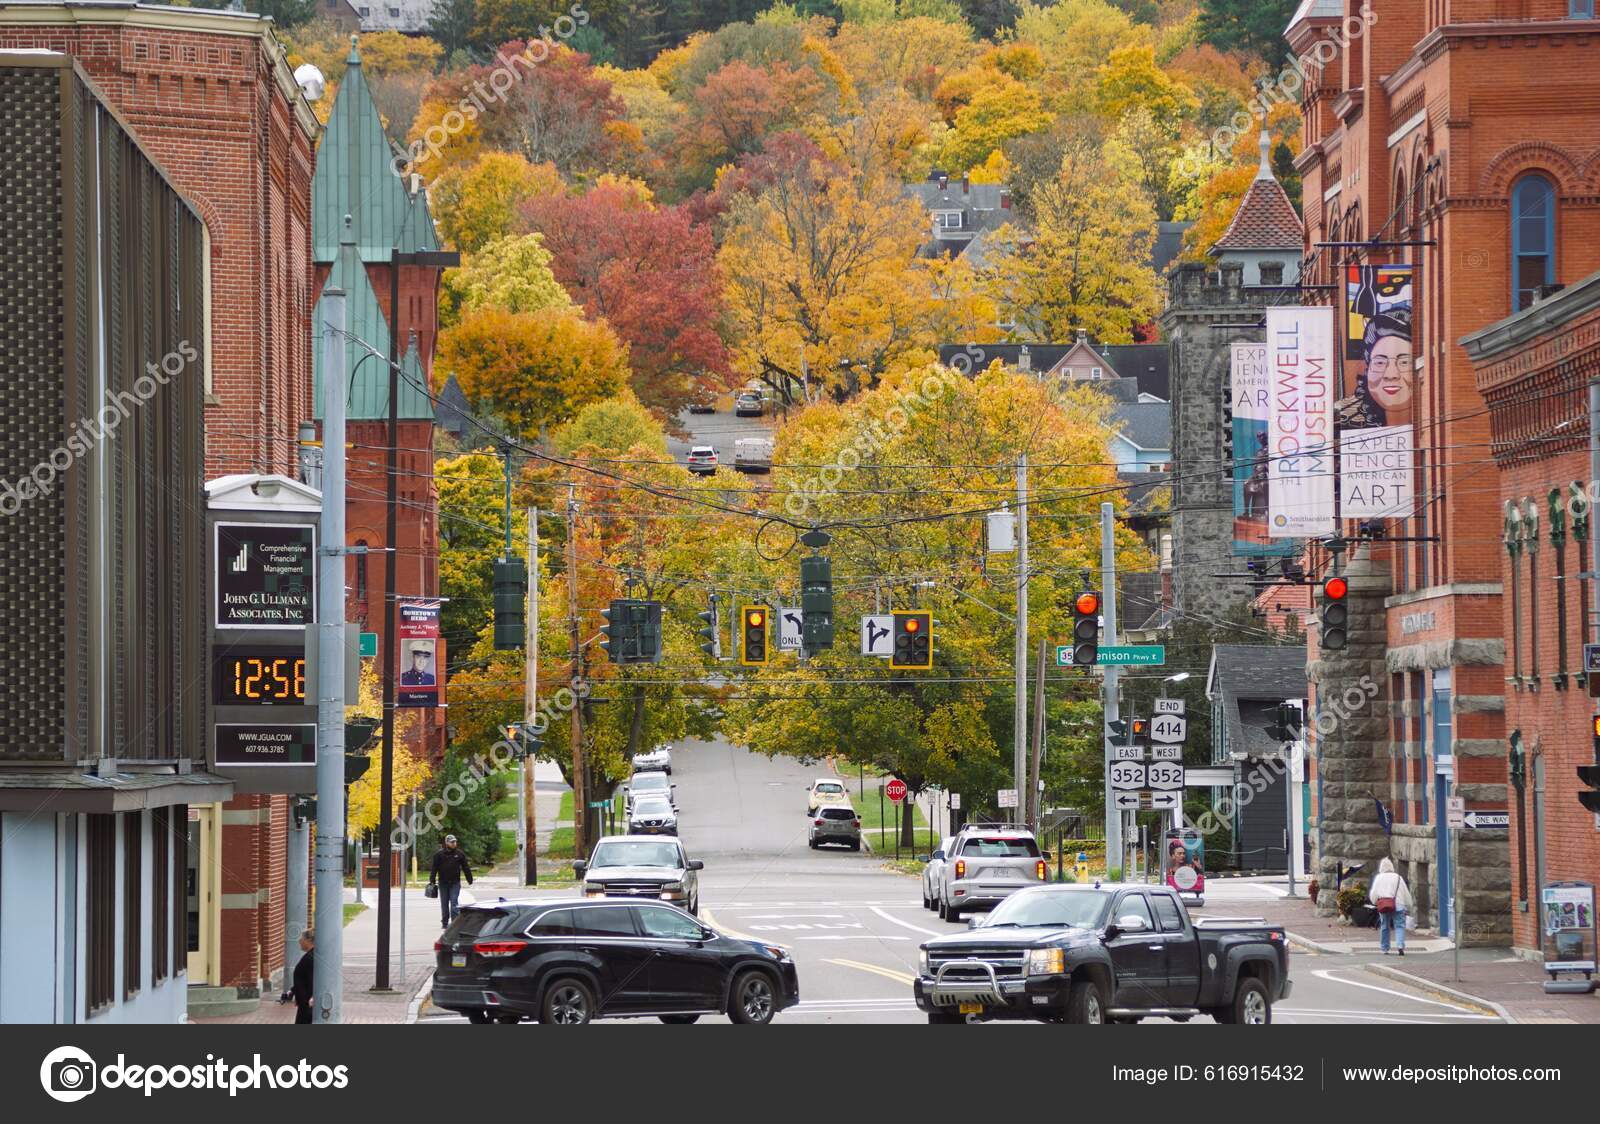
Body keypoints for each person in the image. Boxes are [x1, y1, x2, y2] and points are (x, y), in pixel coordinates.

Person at [1335, 309, 1414, 430]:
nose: (1391, 375)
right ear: (1368, 369)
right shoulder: (1346, 421)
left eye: (1404, 362)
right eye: (1380, 362)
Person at [1370, 857, 1415, 956]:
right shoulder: (1398, 877)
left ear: (1381, 867)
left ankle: (1385, 948)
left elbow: (1374, 893)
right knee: (1399, 926)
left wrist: (1374, 901)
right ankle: (1400, 945)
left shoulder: (1379, 878)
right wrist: (1409, 904)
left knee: (1385, 926)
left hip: (1384, 905)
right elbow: (1405, 892)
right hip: (1398, 904)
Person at [429, 833, 474, 927]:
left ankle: (454, 924)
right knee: (444, 904)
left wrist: (469, 878)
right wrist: (432, 879)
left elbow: (465, 867)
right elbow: (434, 868)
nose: (454, 844)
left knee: (454, 903)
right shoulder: (439, 854)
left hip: (455, 883)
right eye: (451, 842)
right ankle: (444, 922)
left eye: (455, 842)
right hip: (443, 883)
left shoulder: (459, 854)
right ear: (446, 843)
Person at [292, 929, 315, 1024]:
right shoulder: (311, 956)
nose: (299, 941)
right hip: (305, 1003)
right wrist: (293, 991)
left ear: (309, 941)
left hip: (308, 1005)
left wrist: (314, 996)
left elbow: (312, 980)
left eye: (302, 938)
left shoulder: (310, 958)